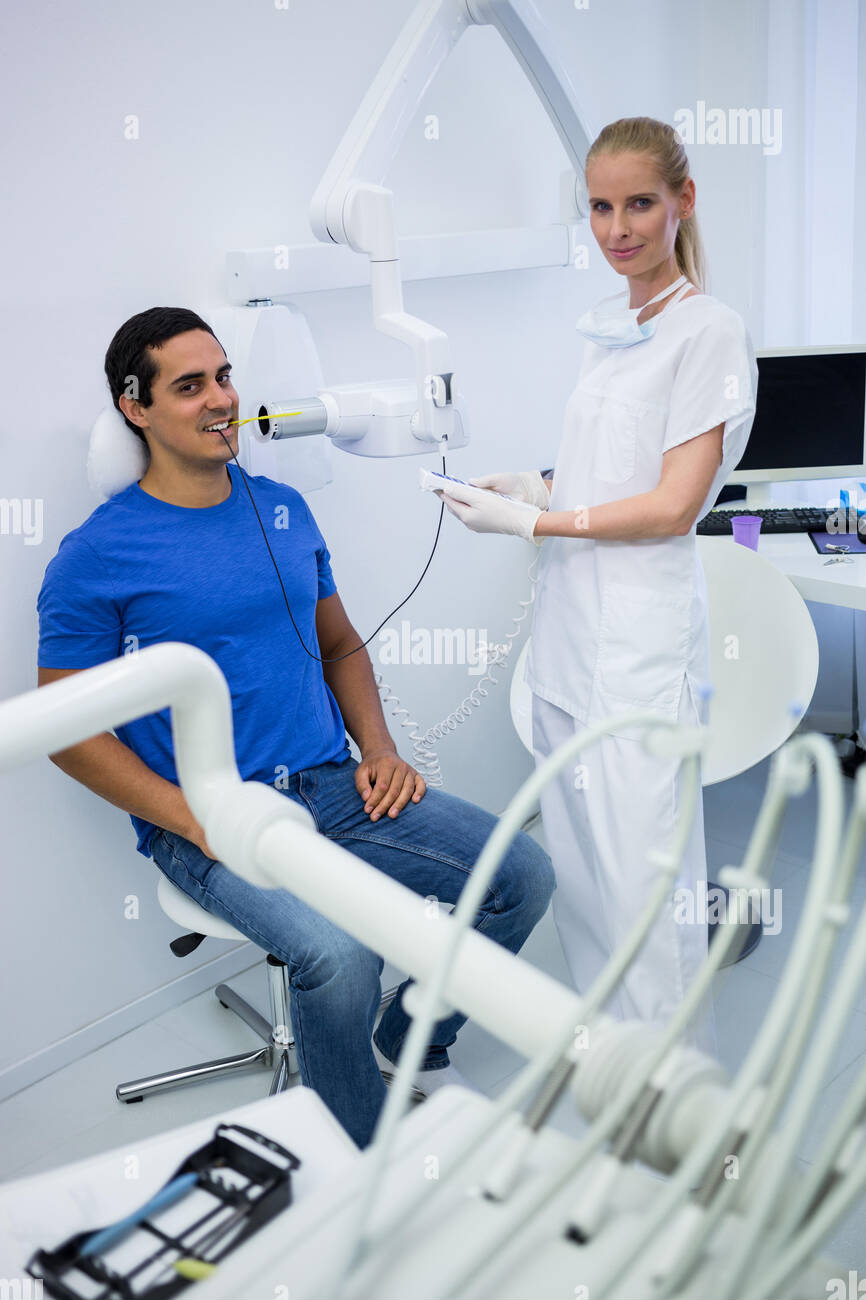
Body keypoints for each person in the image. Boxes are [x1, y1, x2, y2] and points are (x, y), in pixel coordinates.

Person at [35, 306, 555, 1149]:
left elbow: (341, 644)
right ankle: (350, 1160)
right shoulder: (97, 555)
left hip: (331, 785)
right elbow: (66, 730)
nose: (221, 400)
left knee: (522, 875)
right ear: (136, 407)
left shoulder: (280, 510)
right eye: (190, 385)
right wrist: (190, 816)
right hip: (206, 819)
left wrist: (378, 752)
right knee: (344, 954)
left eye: (226, 376)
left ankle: (409, 1043)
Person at [435, 117, 758, 1056]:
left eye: (640, 204)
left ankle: (666, 1094)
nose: (618, 228)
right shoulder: (611, 329)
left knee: (645, 880)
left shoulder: (710, 334)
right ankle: (611, 1058)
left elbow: (671, 506)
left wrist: (536, 523)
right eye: (601, 207)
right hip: (570, 639)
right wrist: (535, 489)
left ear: (682, 202)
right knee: (579, 867)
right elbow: (608, 479)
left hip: (638, 646)